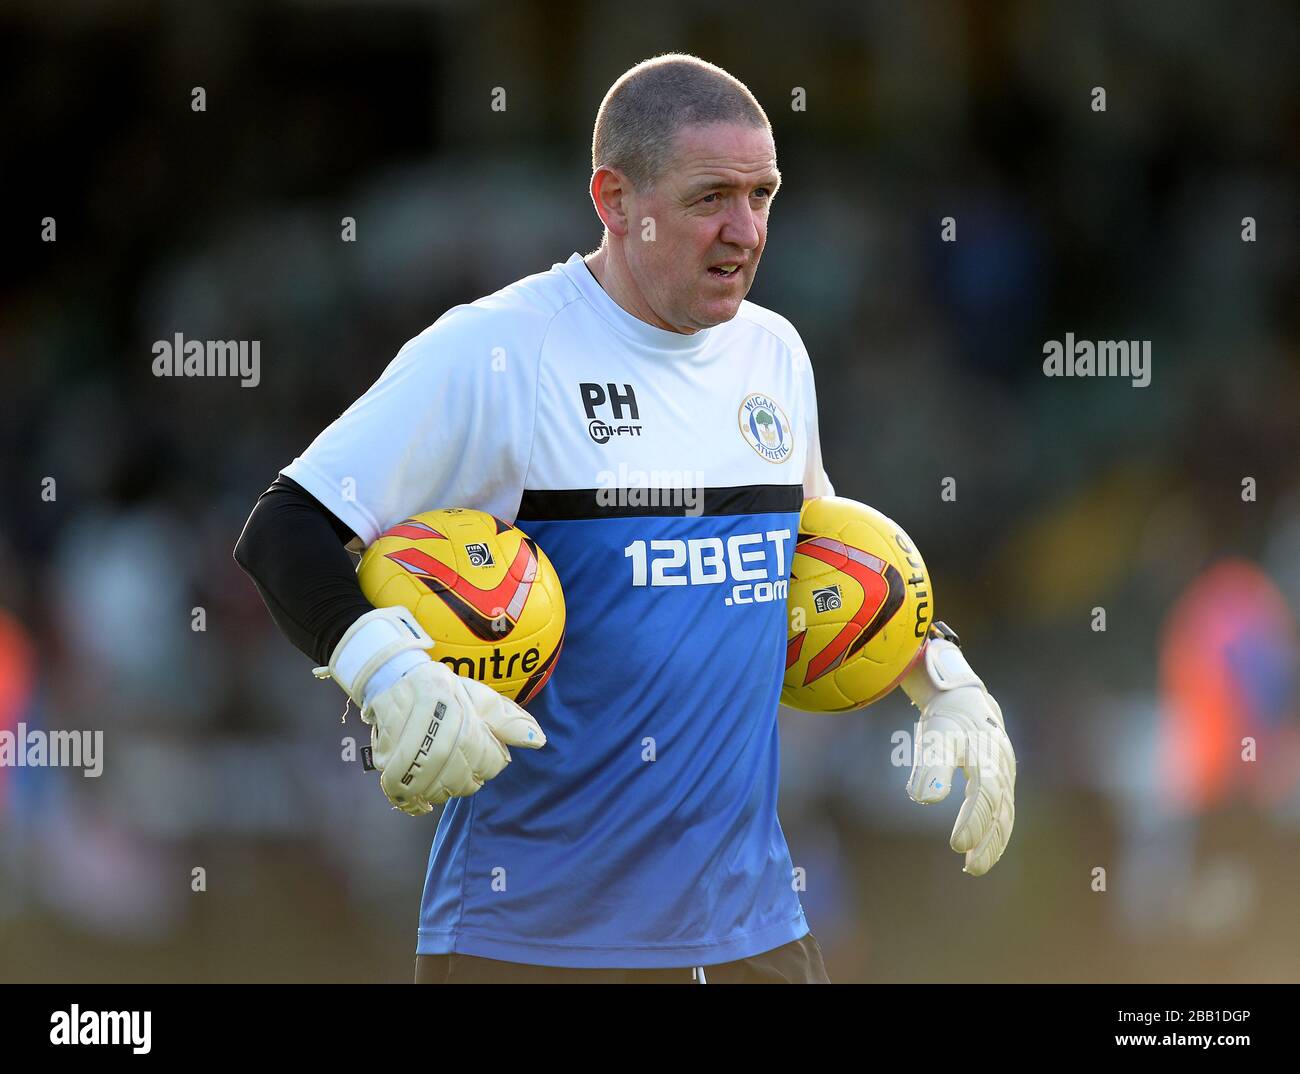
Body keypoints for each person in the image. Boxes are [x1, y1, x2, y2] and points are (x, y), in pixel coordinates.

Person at [233, 53, 1016, 985]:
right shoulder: (498, 352)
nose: (746, 230)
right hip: (529, 941)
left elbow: (831, 561)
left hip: (752, 933)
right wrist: (388, 671)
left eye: (763, 194)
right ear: (613, 199)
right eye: (710, 197)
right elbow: (283, 528)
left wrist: (946, 677)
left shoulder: (775, 355)